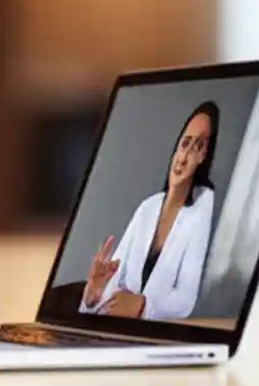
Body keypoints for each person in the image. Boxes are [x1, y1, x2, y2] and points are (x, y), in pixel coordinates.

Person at [79, 101, 219, 320]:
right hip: (116, 333)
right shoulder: (148, 207)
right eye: (184, 144)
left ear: (204, 158)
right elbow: (113, 282)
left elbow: (186, 299)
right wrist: (94, 295)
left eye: (198, 147)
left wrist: (143, 306)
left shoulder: (199, 212)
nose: (184, 157)